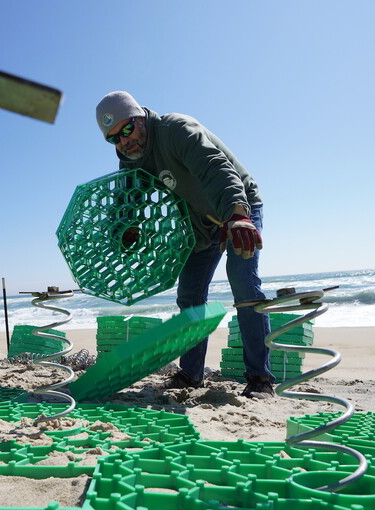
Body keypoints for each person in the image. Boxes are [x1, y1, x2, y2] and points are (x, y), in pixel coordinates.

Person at [95, 91, 277, 399]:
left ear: (140, 118)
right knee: (190, 294)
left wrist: (236, 214)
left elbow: (215, 167)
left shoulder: (176, 130)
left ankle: (260, 378)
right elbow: (126, 203)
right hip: (201, 223)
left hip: (238, 207)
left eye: (127, 129)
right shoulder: (131, 161)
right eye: (114, 139)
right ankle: (191, 374)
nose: (124, 142)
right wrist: (123, 230)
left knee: (243, 283)